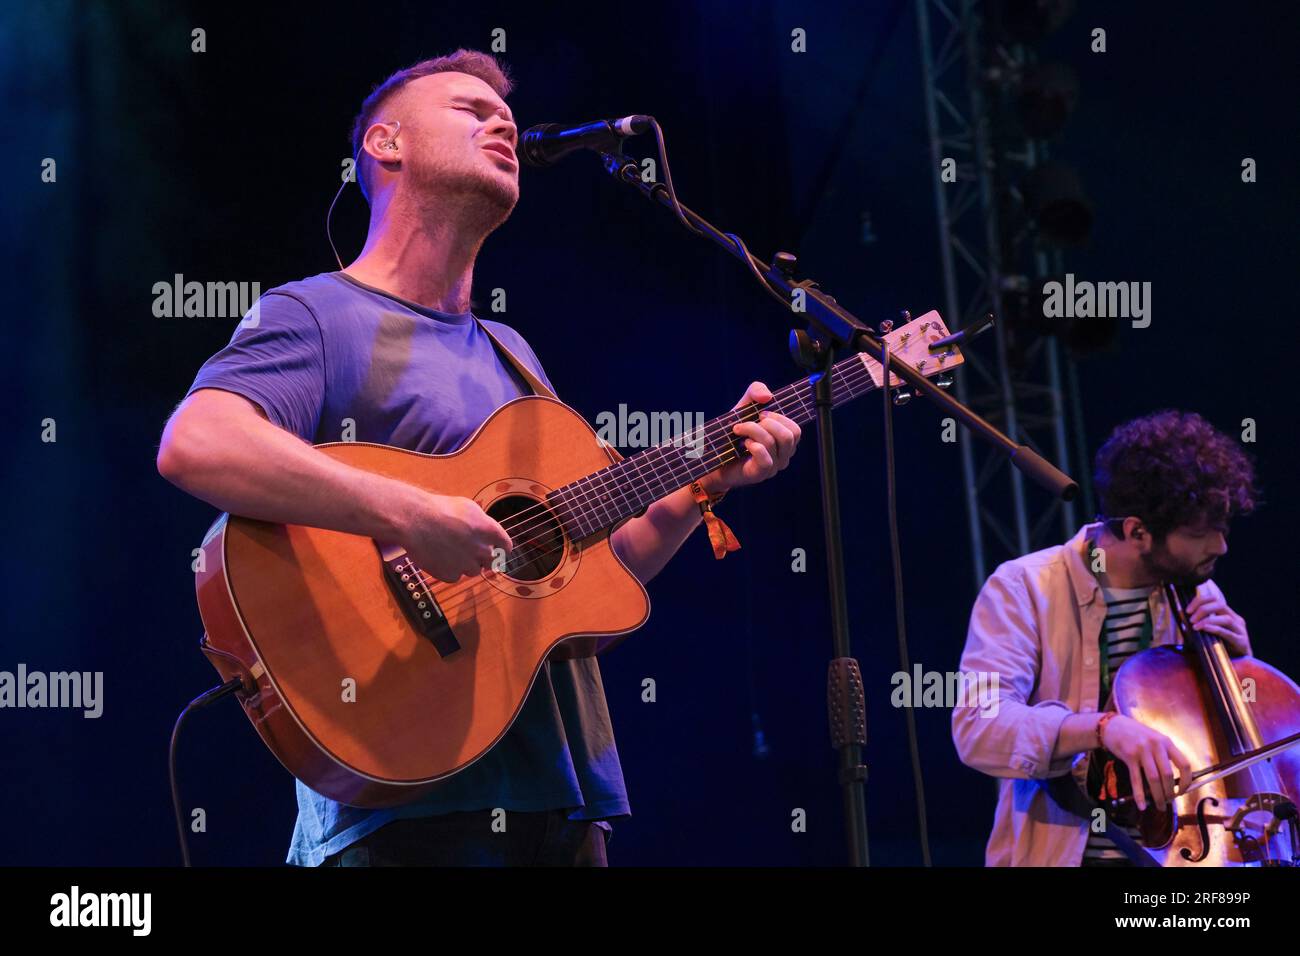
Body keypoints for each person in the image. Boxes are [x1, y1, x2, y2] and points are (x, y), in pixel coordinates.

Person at [156, 49, 802, 866]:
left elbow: (580, 587)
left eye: (504, 113)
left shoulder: (514, 353)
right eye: (469, 110)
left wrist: (699, 488)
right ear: (386, 145)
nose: (501, 121)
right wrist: (409, 513)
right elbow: (197, 441)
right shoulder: (316, 313)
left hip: (567, 803)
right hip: (402, 802)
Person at [951, 410, 1256, 866]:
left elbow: (1227, 751)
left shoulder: (1197, 590)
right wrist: (1102, 729)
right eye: (1198, 535)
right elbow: (979, 727)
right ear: (1137, 531)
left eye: (1222, 528)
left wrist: (1243, 671)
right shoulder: (1024, 587)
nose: (1220, 547)